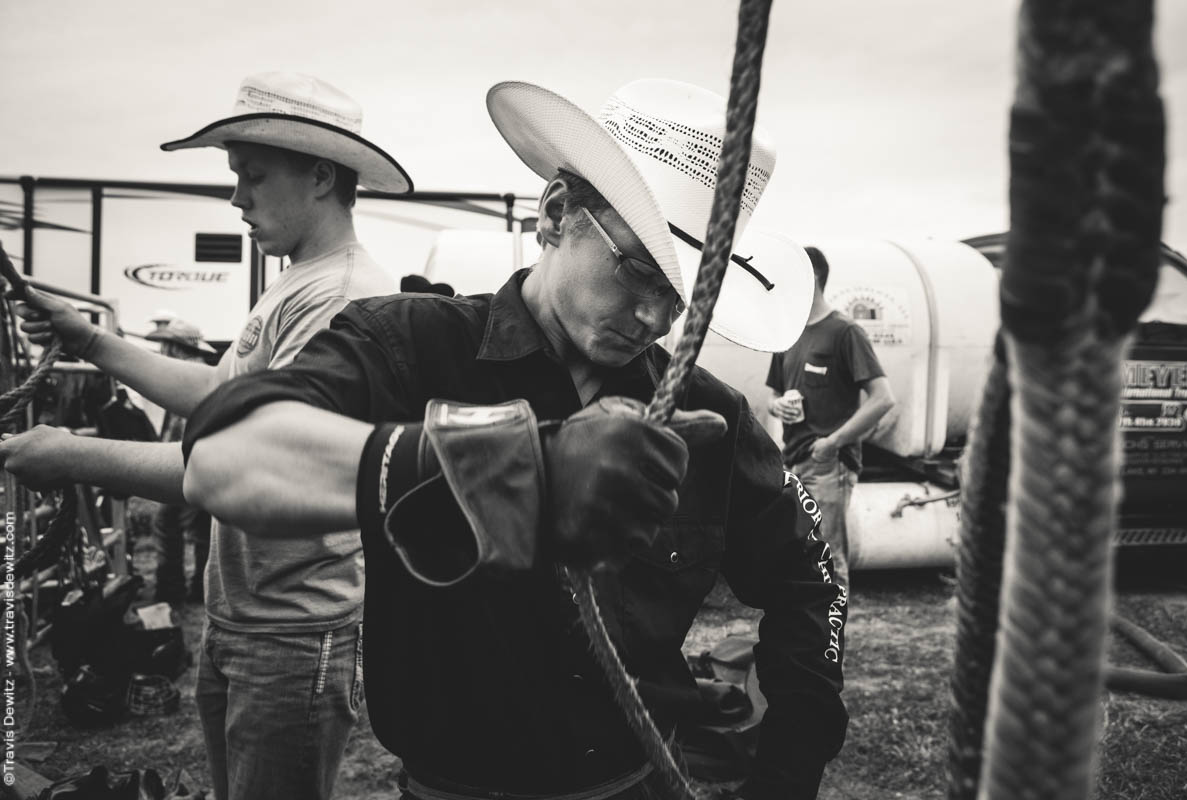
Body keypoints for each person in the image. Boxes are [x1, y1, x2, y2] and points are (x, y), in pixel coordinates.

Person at [181, 79, 847, 800]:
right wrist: (508, 467)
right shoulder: (409, 347)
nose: (656, 314)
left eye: (684, 295)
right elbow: (225, 456)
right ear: (558, 214)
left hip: (632, 782)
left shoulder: (710, 419)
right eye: (639, 270)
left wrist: (792, 761)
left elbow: (811, 579)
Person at [1, 71, 412, 800]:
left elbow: (249, 465)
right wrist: (92, 342)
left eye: (252, 176)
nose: (236, 197)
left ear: (320, 176)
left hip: (293, 628)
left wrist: (73, 455)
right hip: (253, 619)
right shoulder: (299, 282)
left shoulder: (340, 299)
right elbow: (219, 398)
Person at [766, 245, 896, 596]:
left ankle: (829, 648)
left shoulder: (844, 332)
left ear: (814, 278)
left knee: (828, 560)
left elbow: (883, 399)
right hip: (792, 461)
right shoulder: (788, 331)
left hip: (828, 465)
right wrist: (779, 408)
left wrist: (832, 443)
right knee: (798, 558)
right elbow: (772, 396)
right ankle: (805, 645)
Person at [144, 313, 217, 604]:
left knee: (167, 524)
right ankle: (201, 588)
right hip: (207, 462)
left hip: (186, 463)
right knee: (202, 529)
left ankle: (170, 588)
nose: (162, 350)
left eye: (165, 345)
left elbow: (180, 428)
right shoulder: (204, 373)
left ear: (174, 348)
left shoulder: (183, 376)